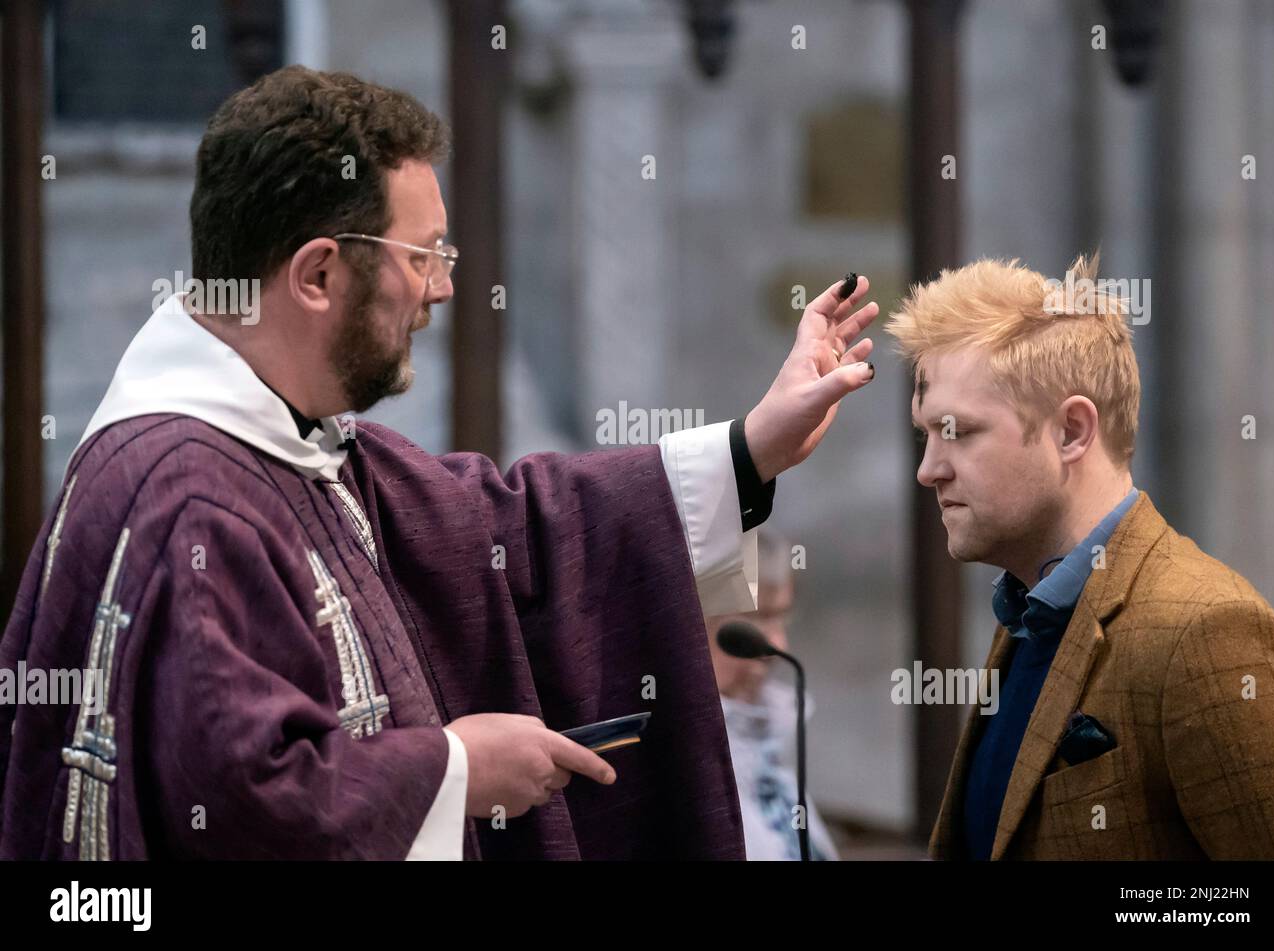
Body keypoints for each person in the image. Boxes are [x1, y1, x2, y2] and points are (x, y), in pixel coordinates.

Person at [0, 66, 880, 860]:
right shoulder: (192, 498)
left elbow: (506, 529)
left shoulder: (295, 444)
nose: (444, 287)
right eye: (423, 256)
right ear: (316, 275)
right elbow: (246, 809)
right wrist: (456, 769)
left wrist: (751, 445)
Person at [888, 252, 1274, 860]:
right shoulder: (1032, 611)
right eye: (925, 435)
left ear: (1073, 432)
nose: (928, 470)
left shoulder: (1208, 632)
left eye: (957, 432)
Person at [705, 529, 839, 860]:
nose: (778, 646)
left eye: (782, 618)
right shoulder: (670, 766)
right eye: (754, 621)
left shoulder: (768, 746)